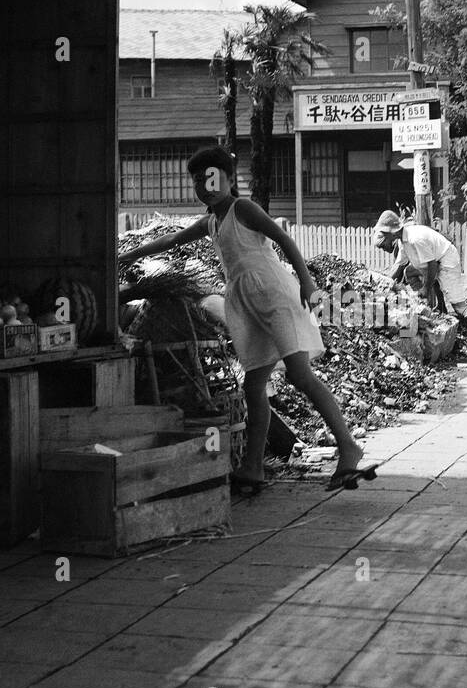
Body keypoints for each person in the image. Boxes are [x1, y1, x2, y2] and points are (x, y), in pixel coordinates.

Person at [120, 147, 375, 494]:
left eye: (211, 177)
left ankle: (348, 446)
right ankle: (252, 467)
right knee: (253, 387)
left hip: (275, 296)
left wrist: (308, 282)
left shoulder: (243, 209)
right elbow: (172, 239)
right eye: (197, 180)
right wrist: (131, 253)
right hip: (246, 305)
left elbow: (283, 238)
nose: (205, 185)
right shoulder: (212, 221)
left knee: (300, 375)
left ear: (227, 178)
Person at [372, 210, 467, 343]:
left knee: (460, 308)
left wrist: (426, 288)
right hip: (435, 261)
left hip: (446, 261)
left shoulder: (415, 239)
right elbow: (399, 266)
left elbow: (432, 266)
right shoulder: (403, 240)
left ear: (390, 232)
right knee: (409, 272)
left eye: (384, 235)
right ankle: (425, 304)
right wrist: (382, 285)